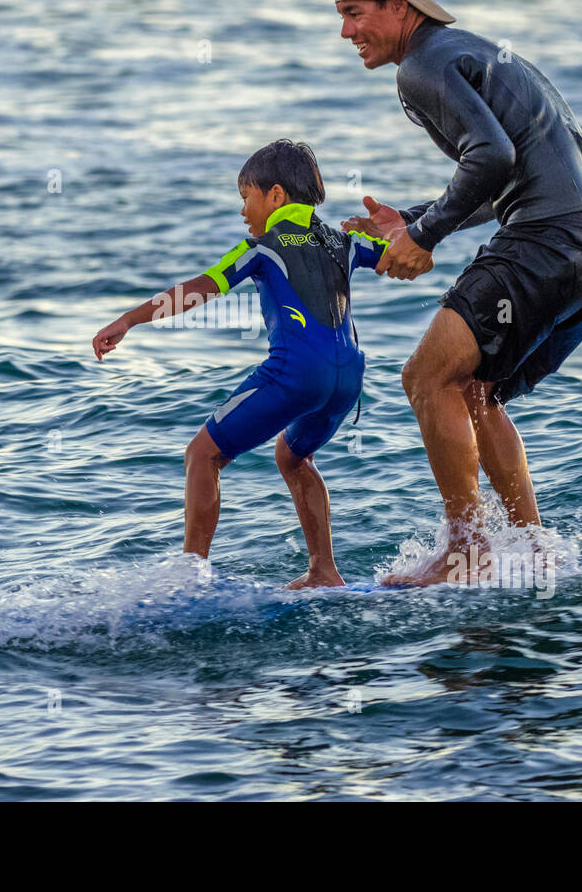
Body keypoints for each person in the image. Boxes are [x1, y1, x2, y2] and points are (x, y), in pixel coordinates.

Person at [332, 0, 582, 586]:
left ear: (398, 7)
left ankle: (468, 550)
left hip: (548, 239)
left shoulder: (420, 68)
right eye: (340, 16)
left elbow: (489, 158)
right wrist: (410, 221)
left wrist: (426, 235)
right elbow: (504, 176)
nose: (346, 32)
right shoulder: (464, 52)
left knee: (425, 377)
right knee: (474, 390)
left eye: (356, 14)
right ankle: (531, 546)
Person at [91, 140, 388, 588]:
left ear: (275, 196)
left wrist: (131, 319)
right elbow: (403, 258)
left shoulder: (263, 246)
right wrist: (399, 230)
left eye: (246, 198)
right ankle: (324, 571)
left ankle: (190, 577)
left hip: (297, 373)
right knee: (294, 456)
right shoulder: (344, 241)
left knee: (202, 454)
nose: (243, 210)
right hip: (350, 377)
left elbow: (199, 288)